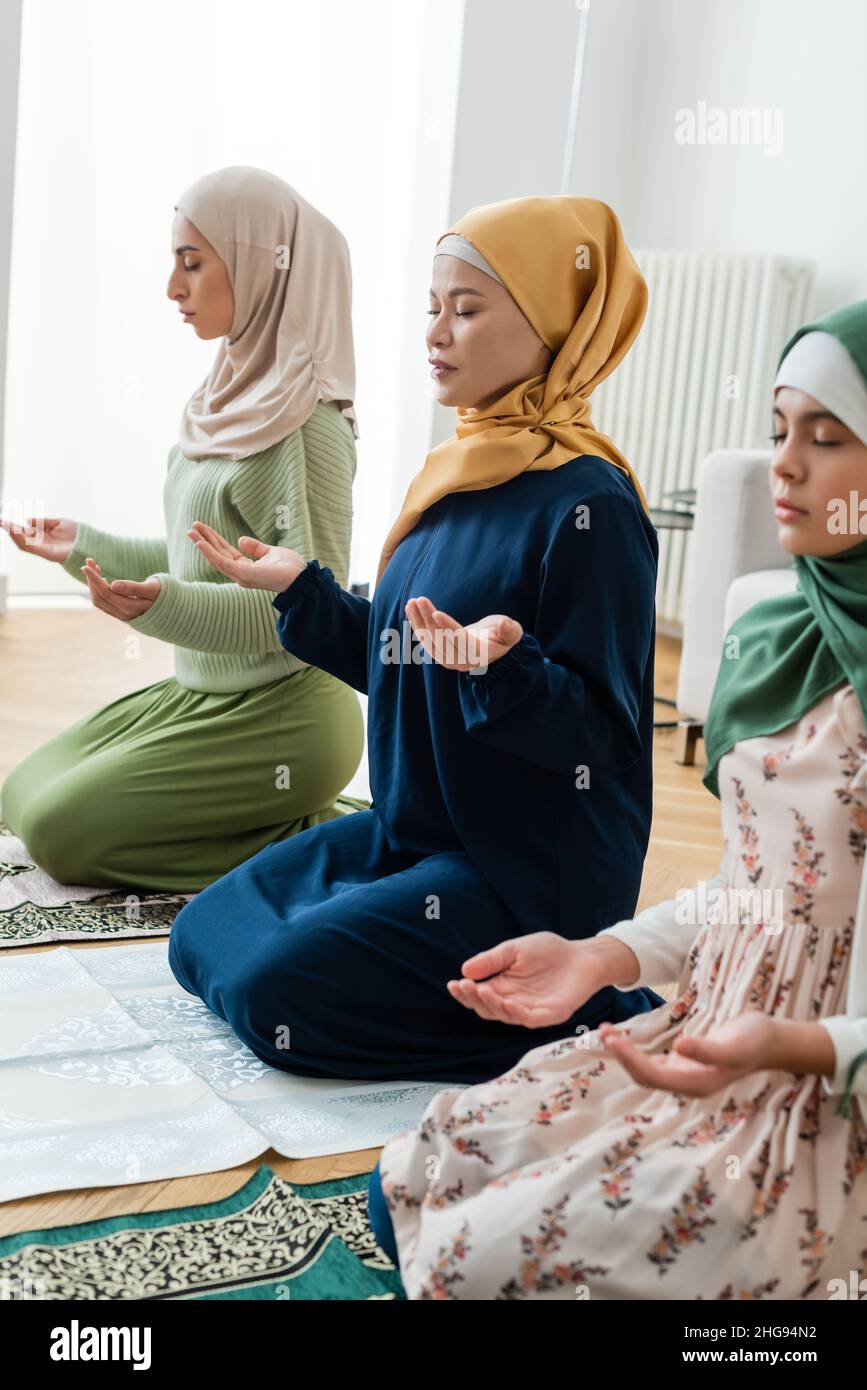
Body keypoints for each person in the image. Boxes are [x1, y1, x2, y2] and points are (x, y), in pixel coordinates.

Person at [369, 299, 867, 1300]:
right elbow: (760, 889)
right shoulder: (783, 631)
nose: (784, 466)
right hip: (707, 1041)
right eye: (778, 430)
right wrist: (602, 954)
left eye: (828, 438)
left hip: (824, 1109)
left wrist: (793, 1045)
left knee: (477, 1261)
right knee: (426, 1164)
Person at [166, 194, 665, 1085]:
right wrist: (304, 592)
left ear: (553, 327)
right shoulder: (459, 474)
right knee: (201, 936)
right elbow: (403, 662)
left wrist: (504, 669)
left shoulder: (589, 506)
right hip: (412, 833)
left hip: (522, 872)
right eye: (432, 308)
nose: (437, 332)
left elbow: (600, 738)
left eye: (467, 310)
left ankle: (586, 1014)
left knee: (275, 995)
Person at [0, 167, 364, 892]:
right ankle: (269, 824)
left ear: (263, 267)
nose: (173, 287)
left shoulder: (309, 428)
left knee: (61, 836)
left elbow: (309, 611)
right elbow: (201, 560)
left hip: (282, 713)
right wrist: (84, 548)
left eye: (193, 264)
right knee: (18, 799)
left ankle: (332, 841)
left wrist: (164, 606)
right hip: (200, 693)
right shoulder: (226, 396)